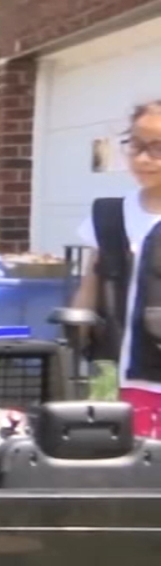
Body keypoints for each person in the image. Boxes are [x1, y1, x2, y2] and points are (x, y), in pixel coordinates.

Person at [73, 102, 161, 438]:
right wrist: (74, 336)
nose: (142, 158)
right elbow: (91, 283)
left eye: (158, 148)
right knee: (115, 467)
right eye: (136, 145)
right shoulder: (110, 215)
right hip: (109, 376)